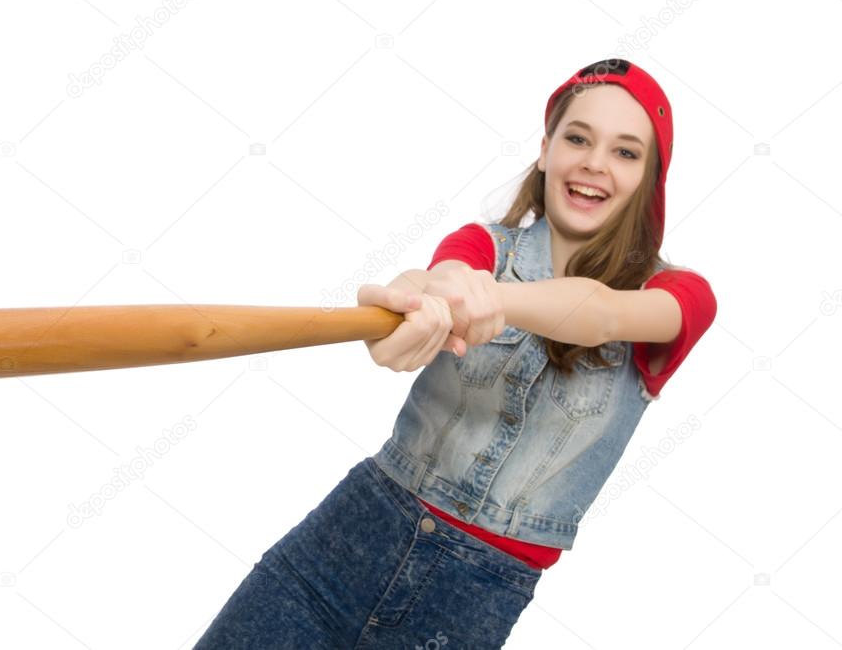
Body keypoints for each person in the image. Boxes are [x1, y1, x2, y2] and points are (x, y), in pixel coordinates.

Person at [194, 58, 717, 648]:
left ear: (651, 178)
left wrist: (492, 298)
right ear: (545, 149)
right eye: (577, 138)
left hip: (463, 606)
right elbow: (441, 276)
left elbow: (599, 313)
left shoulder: (680, 298)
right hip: (344, 540)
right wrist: (410, 303)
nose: (594, 163)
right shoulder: (482, 248)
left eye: (625, 152)